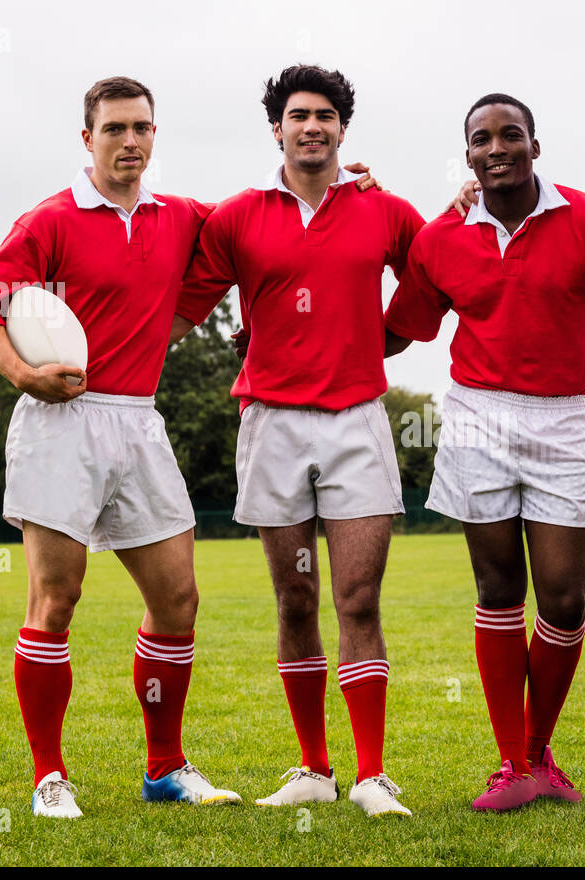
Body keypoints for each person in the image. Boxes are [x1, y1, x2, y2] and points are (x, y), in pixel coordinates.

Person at [0, 76, 241, 817]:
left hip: (140, 420)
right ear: (88, 139)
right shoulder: (49, 220)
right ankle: (50, 777)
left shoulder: (182, 217)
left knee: (178, 600)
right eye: (114, 129)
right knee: (57, 598)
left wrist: (345, 186)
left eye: (142, 128)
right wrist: (24, 373)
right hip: (60, 424)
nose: (130, 142)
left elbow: (256, 232)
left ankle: (165, 769)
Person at [173, 64, 425, 818]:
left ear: (343, 130)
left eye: (325, 116)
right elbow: (182, 302)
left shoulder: (386, 211)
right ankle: (313, 768)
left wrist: (373, 341)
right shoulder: (236, 215)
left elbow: (434, 283)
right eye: (297, 115)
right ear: (277, 128)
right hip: (271, 423)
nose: (311, 126)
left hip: (357, 421)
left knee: (358, 597)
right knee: (295, 598)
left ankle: (373, 776)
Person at [385, 94, 585, 812]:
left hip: (561, 421)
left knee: (564, 598)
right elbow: (401, 329)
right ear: (467, 155)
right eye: (481, 139)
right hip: (475, 418)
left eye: (510, 135)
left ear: (535, 144)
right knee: (498, 592)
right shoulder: (442, 237)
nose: (497, 147)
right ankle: (515, 764)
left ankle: (536, 752)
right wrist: (285, 337)